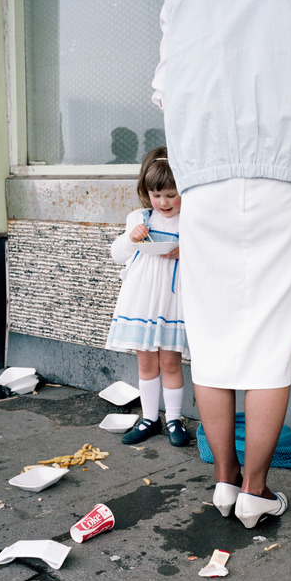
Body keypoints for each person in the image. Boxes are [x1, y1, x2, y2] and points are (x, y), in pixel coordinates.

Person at [152, 0, 291, 528]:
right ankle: (256, 492)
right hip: (286, 175)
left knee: (209, 338)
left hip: (207, 177)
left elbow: (165, 91)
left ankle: (223, 482)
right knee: (270, 341)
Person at [106, 146, 190, 447]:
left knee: (170, 361)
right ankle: (149, 418)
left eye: (171, 194)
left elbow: (208, 257)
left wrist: (189, 251)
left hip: (172, 299)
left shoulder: (190, 220)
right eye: (157, 195)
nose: (164, 202)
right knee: (146, 362)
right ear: (146, 191)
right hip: (142, 298)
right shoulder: (138, 219)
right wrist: (131, 238)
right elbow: (117, 255)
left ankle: (174, 419)